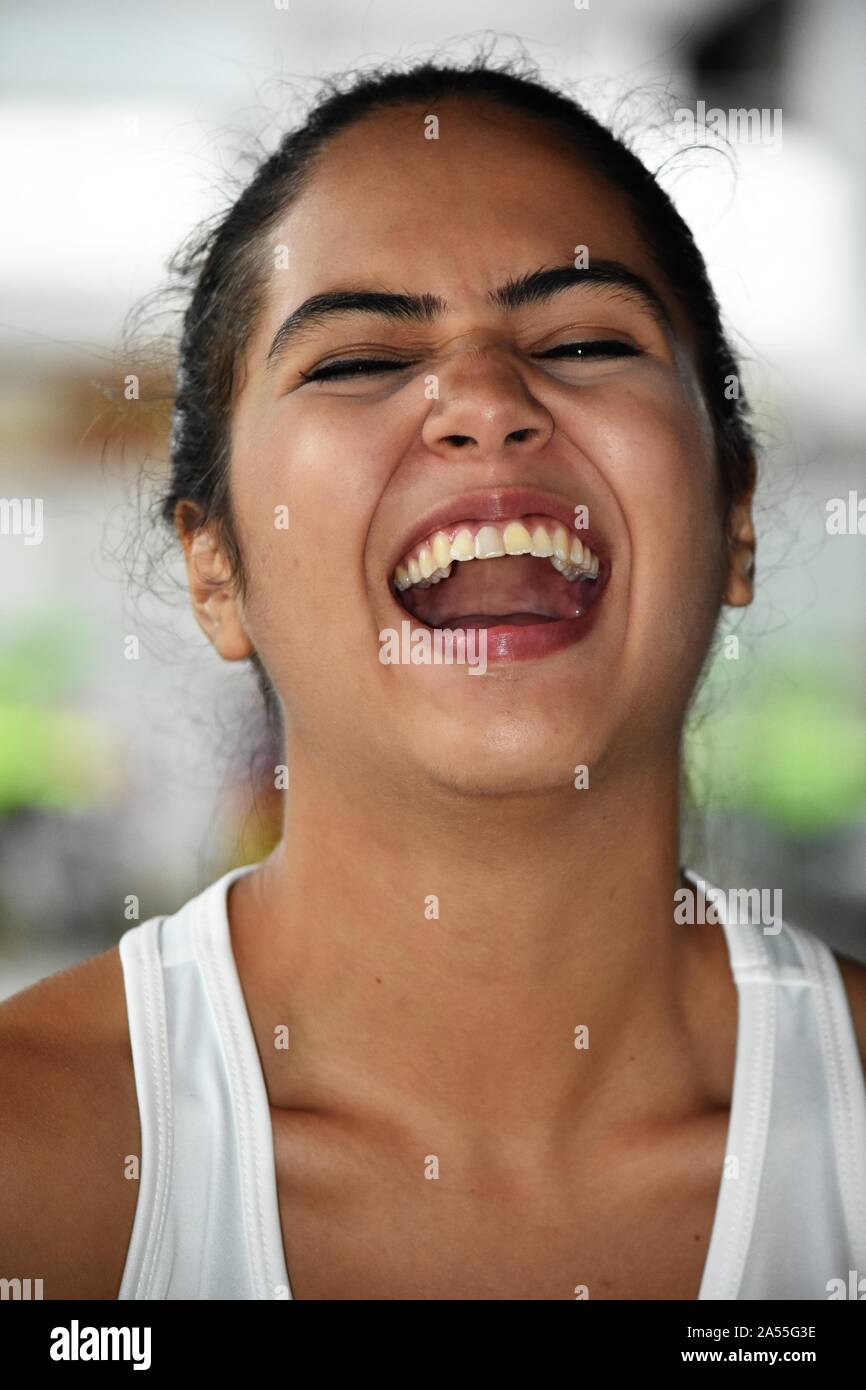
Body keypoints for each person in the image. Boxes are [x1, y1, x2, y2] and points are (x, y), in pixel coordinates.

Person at [2, 55, 865, 1301]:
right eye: (355, 361)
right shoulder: (31, 1172)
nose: (480, 398)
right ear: (215, 572)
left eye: (579, 337)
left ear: (732, 513)